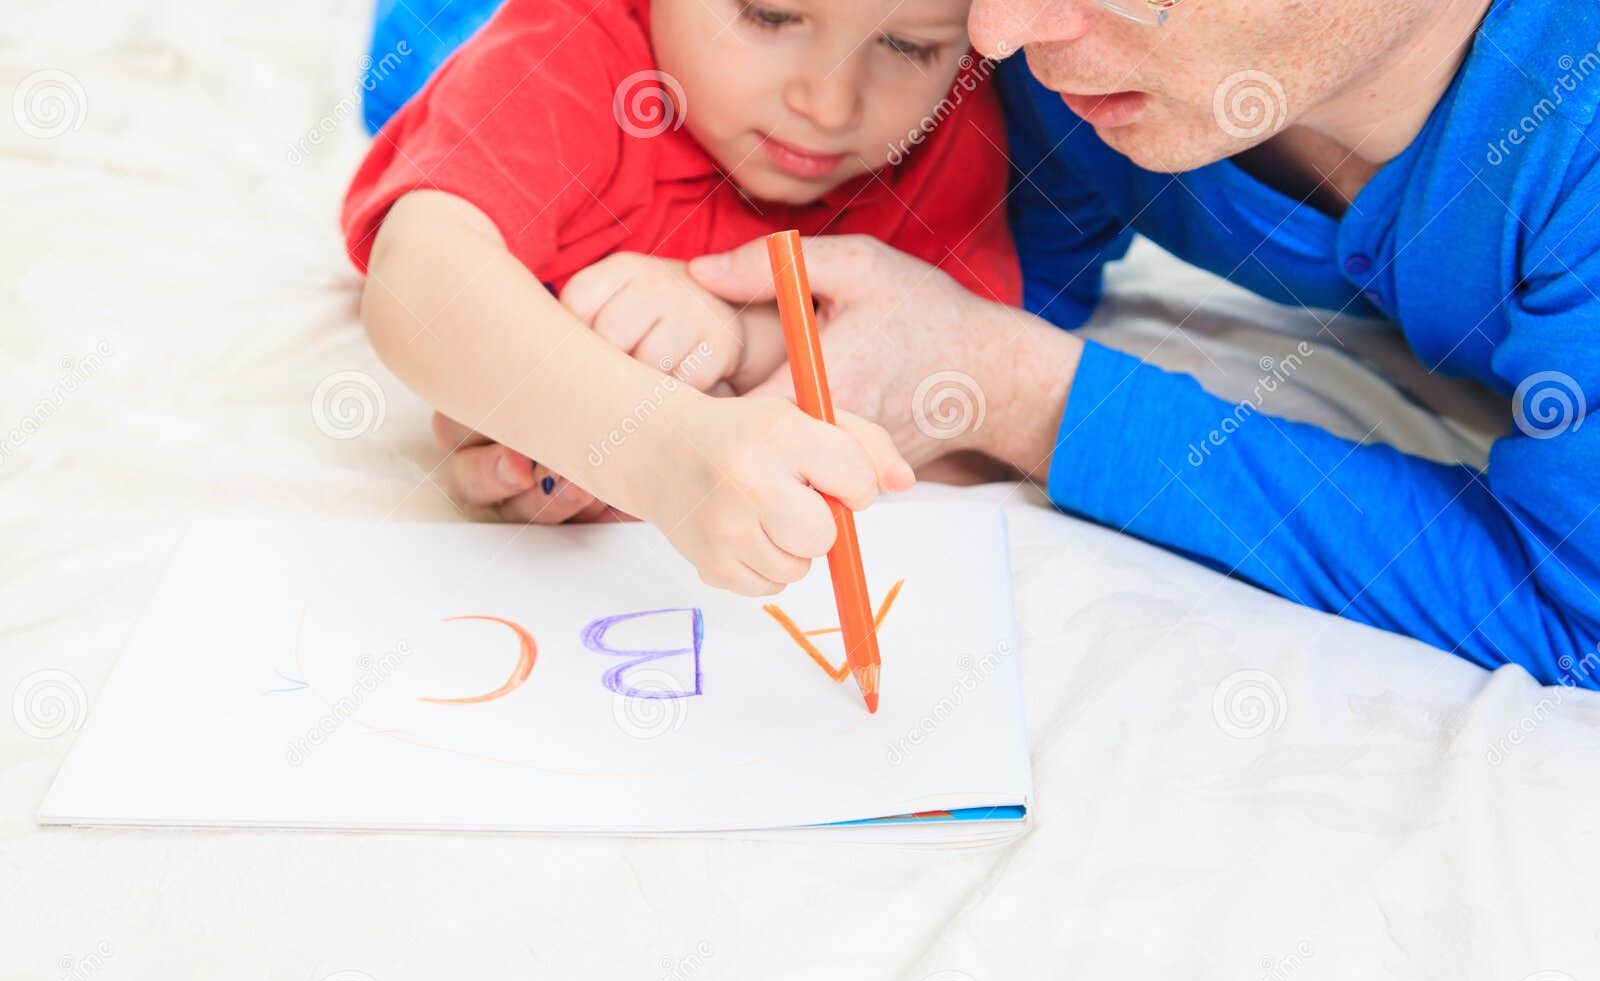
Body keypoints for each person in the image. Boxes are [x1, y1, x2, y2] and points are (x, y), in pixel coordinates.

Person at [672, 0, 1600, 690]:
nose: (995, 34)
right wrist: (697, 343)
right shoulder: (1075, 72)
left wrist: (1021, 391)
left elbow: (1576, 620)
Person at [344, 0, 1020, 596]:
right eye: (771, 15)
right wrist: (659, 451)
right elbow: (417, 273)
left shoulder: (951, 127)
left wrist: (745, 339)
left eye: (907, 47)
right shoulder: (565, 44)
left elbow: (962, 403)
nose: (830, 105)